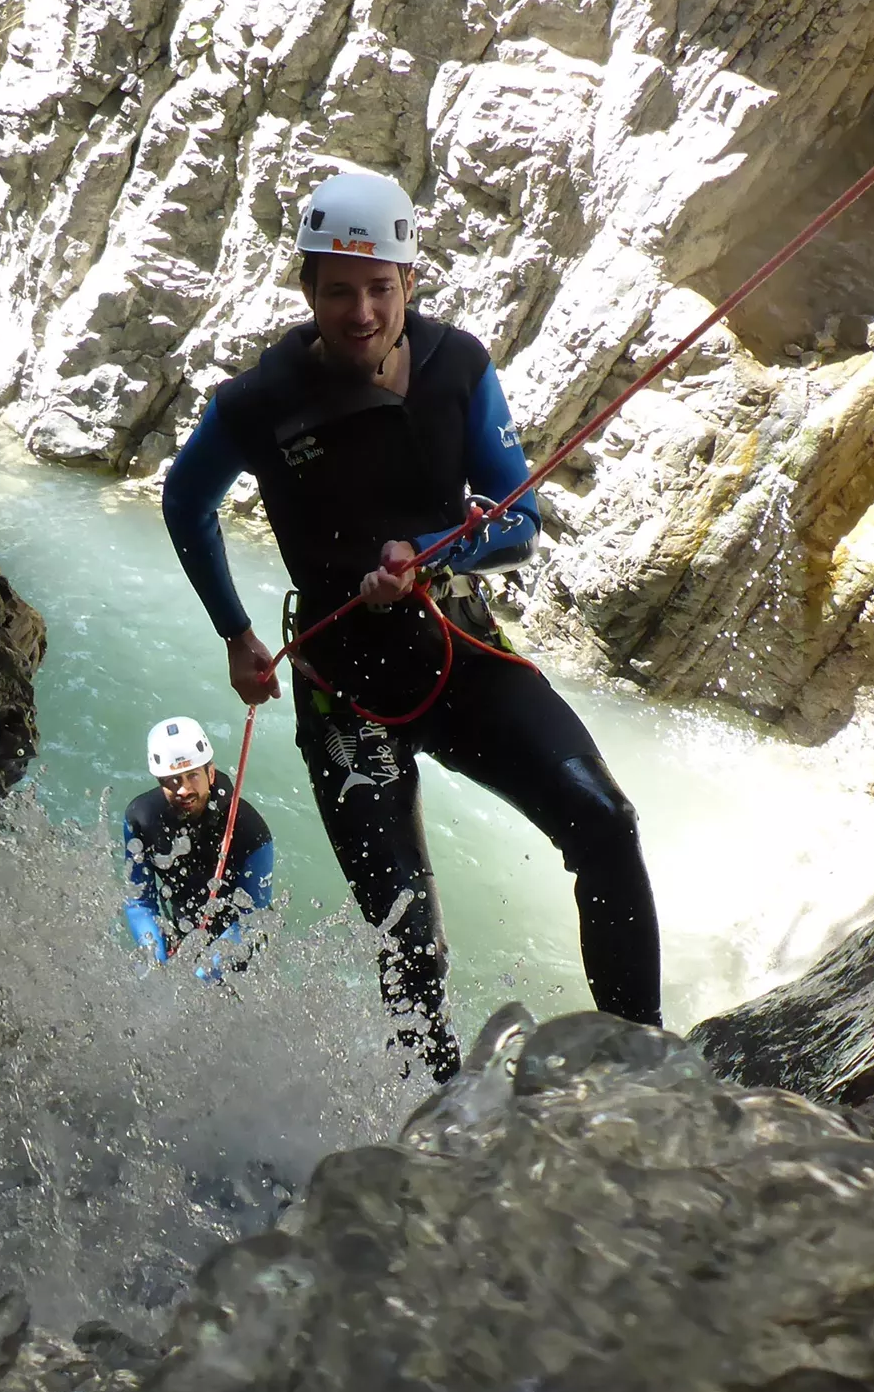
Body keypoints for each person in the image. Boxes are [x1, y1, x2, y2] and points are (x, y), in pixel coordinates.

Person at [161, 170, 661, 1078]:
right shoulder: (256, 404)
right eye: (340, 290)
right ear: (308, 290)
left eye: (380, 288)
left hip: (457, 651)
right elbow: (186, 502)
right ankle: (437, 1122)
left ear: (409, 283)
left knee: (606, 823)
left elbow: (516, 524)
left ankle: (643, 1066)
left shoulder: (456, 368)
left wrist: (432, 551)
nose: (362, 312)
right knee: (408, 939)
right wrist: (235, 633)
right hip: (344, 696)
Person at [122, 715, 275, 973]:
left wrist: (207, 969)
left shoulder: (250, 830)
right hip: (183, 935)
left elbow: (254, 919)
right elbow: (140, 901)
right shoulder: (141, 819)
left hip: (237, 942)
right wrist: (156, 959)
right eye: (172, 780)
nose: (183, 790)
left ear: (210, 773)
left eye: (192, 776)